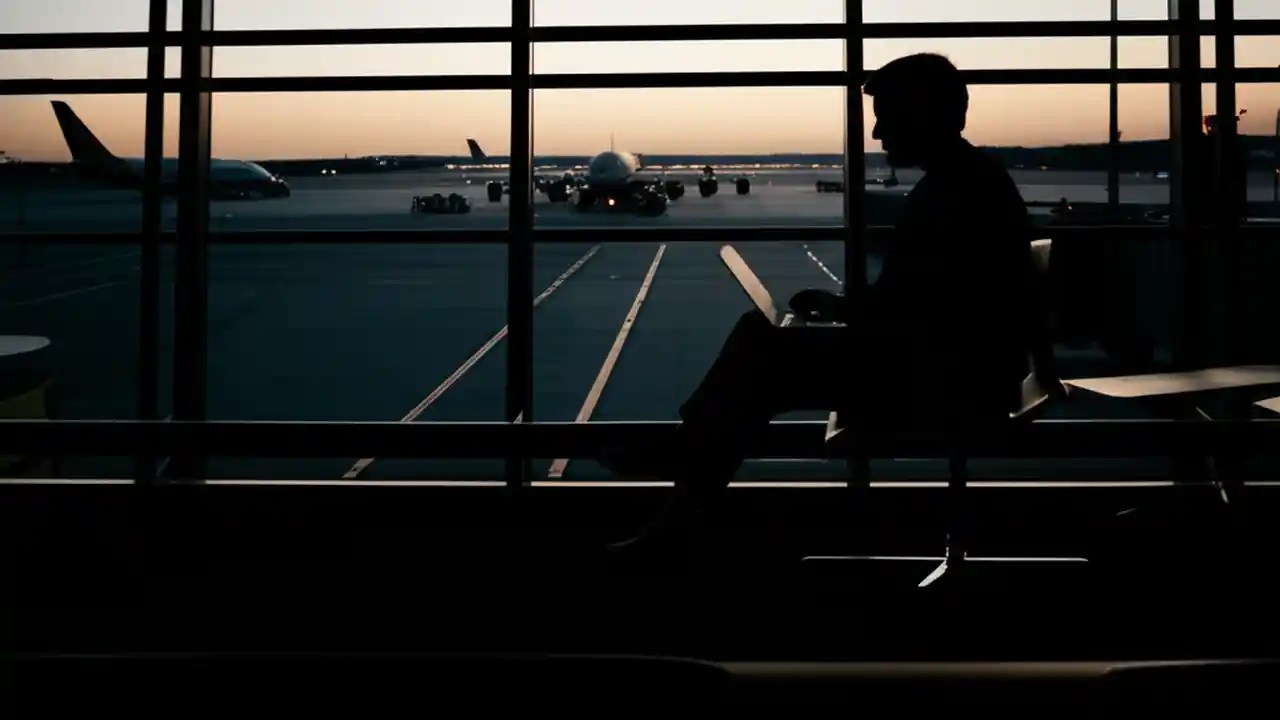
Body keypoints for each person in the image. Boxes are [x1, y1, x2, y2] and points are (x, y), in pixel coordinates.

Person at [599, 53, 1041, 559]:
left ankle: (681, 484)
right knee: (759, 352)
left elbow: (930, 311)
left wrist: (850, 316)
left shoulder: (954, 193)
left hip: (951, 379)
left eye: (888, 116)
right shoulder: (967, 181)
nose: (876, 133)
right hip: (954, 362)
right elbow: (930, 300)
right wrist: (844, 308)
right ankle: (681, 497)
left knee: (760, 356)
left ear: (924, 114)